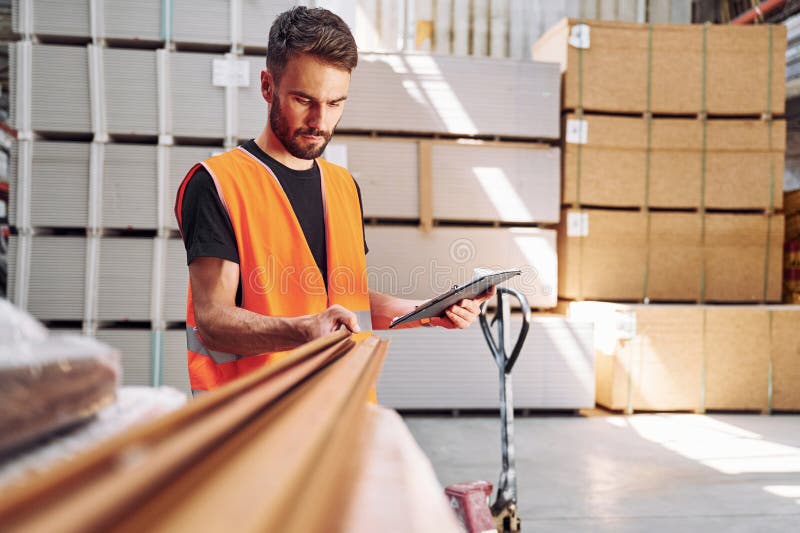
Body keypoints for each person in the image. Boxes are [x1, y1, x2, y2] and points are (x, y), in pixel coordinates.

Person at [175, 6, 494, 395]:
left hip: (342, 408)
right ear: (267, 86)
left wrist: (425, 311)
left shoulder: (343, 186)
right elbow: (213, 321)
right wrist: (302, 331)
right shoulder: (217, 183)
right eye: (303, 100)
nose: (320, 121)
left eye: (335, 103)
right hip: (255, 423)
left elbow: (347, 302)